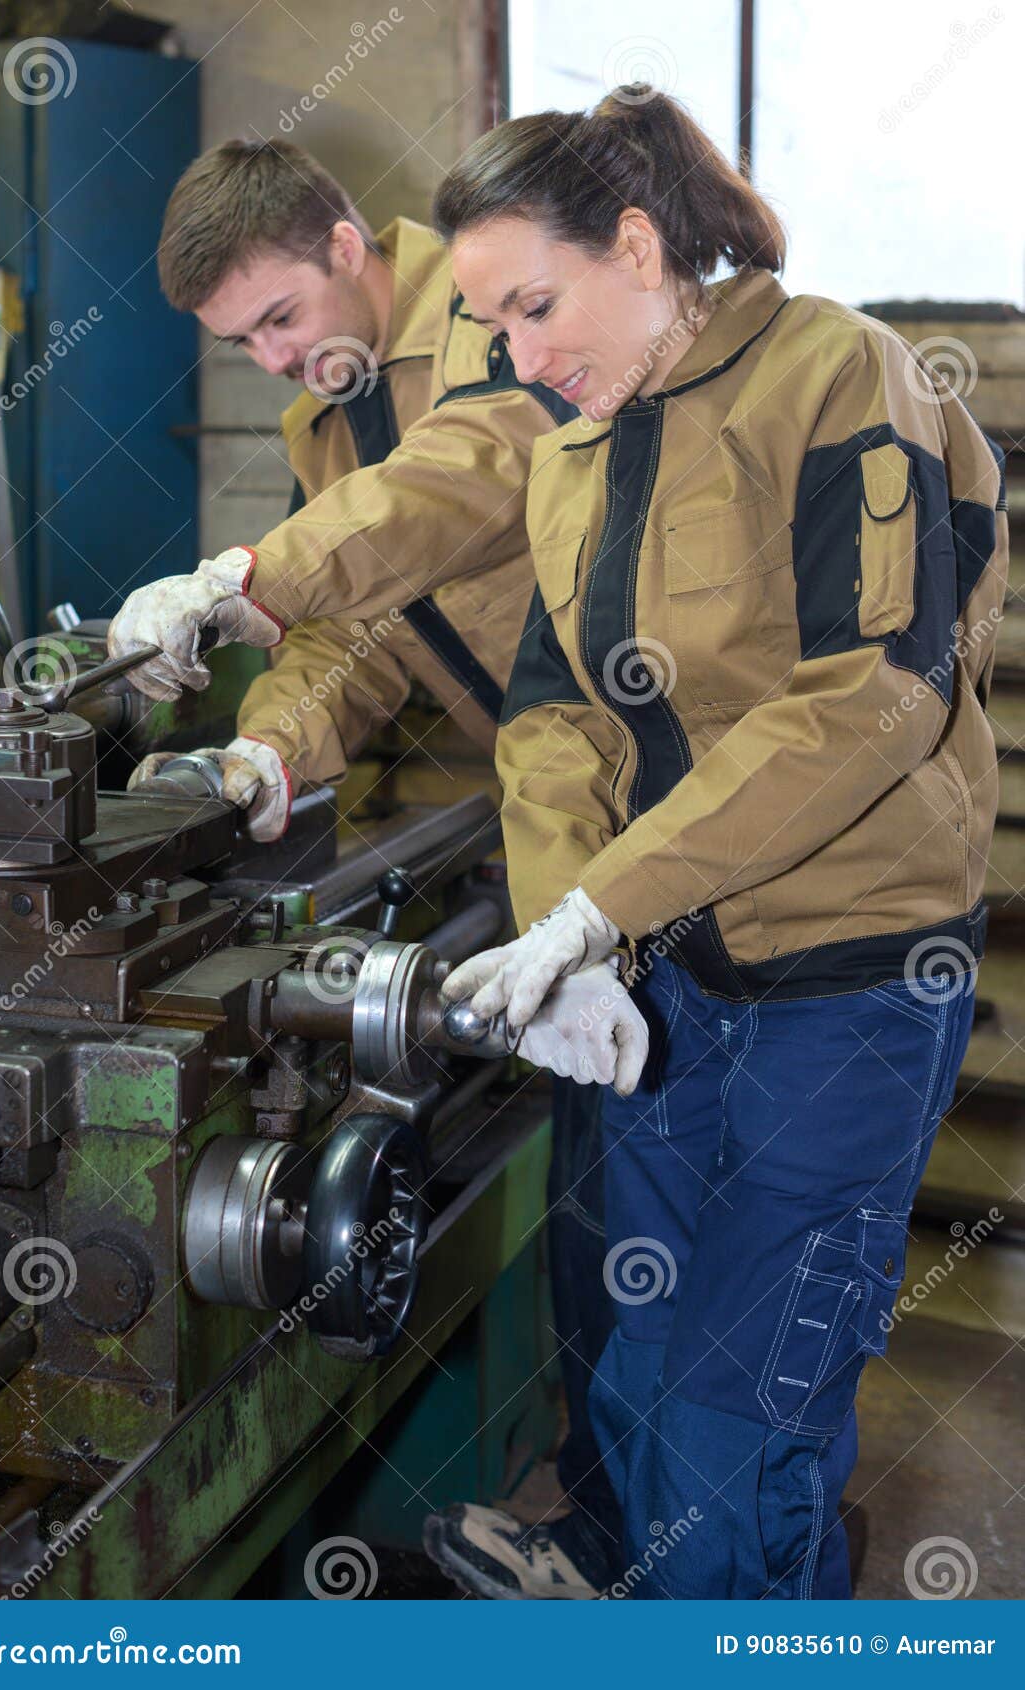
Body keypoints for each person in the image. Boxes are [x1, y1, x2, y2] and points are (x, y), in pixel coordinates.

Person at [423, 87, 1008, 1600]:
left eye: (539, 306)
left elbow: (875, 694)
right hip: (673, 978)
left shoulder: (838, 372)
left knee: (739, 1412)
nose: (526, 361)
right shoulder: (571, 459)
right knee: (644, 1361)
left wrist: (601, 900)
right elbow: (555, 723)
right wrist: (568, 932)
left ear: (636, 243)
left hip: (850, 985)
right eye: (497, 331)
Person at [109, 140, 631, 1595]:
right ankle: (601, 1529)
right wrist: (268, 750)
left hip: (663, 776)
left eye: (278, 319)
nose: (275, 358)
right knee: (606, 1200)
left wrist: (243, 577)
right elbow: (366, 629)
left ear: (347, 241)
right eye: (241, 346)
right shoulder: (327, 416)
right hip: (549, 797)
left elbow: (448, 488)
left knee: (682, 1207)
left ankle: (703, 1573)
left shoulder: (503, 315)